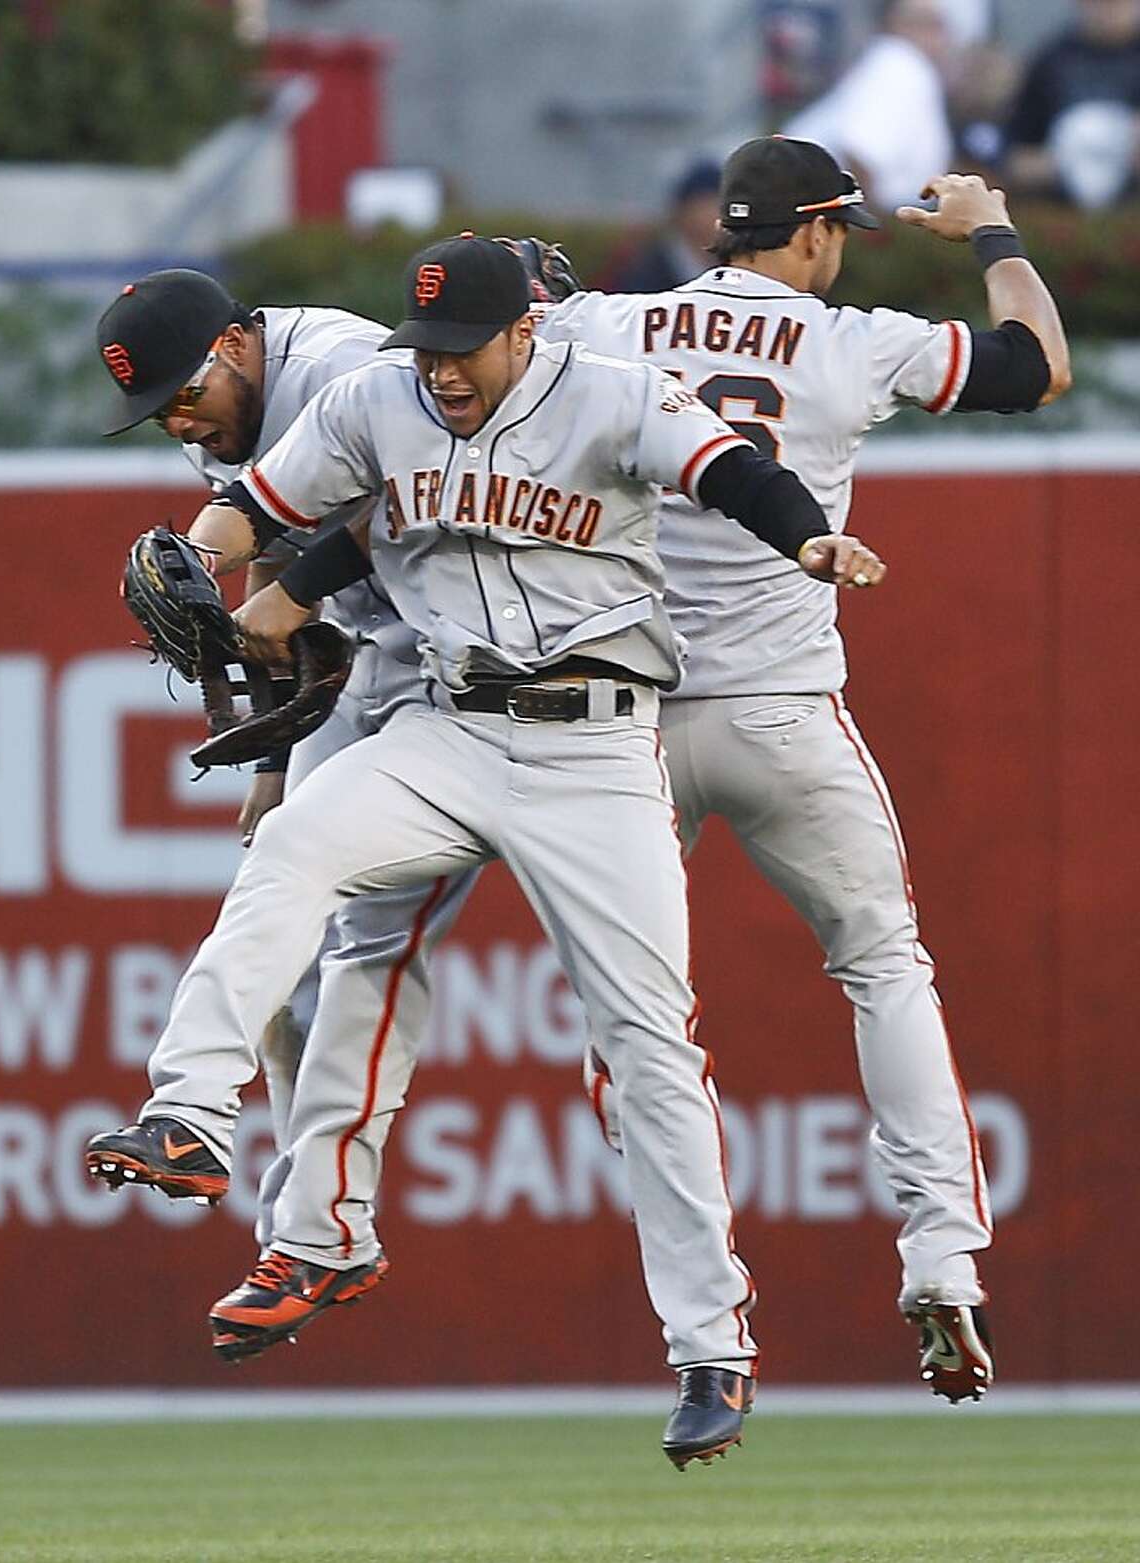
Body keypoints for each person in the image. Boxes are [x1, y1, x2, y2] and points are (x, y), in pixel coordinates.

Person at [97, 233, 883, 1467]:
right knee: (296, 846)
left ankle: (711, 1346)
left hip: (599, 750)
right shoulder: (380, 395)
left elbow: (731, 468)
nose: (443, 371)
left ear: (524, 329)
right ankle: (189, 1113)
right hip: (450, 724)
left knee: (647, 1042)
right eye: (429, 347)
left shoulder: (610, 394)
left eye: (463, 346)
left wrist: (807, 541)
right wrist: (204, 553)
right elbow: (260, 504)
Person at [536, 136, 1070, 1404]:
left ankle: (704, 1320)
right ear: (821, 232)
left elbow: (476, 334)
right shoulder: (854, 342)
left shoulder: (612, 325)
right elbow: (1037, 368)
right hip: (784, 717)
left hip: (632, 729)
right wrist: (992, 229)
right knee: (883, 960)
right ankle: (943, 1252)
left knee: (638, 1023)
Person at [87, 268, 480, 1193]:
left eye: (183, 394)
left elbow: (424, 496)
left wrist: (290, 593)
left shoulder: (347, 366)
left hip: (486, 657)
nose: (178, 423)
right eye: (157, 414)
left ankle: (321, 1213)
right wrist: (275, 757)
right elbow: (269, 544)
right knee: (287, 948)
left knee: (375, 949)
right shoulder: (218, 424)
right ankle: (287, 1201)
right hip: (376, 659)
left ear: (231, 345)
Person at [782, 0, 955, 210]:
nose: (943, 39)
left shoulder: (893, 61)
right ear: (896, 23)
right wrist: (865, 228)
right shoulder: (903, 66)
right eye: (931, 25)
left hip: (806, 194)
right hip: (813, 201)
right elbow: (859, 152)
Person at [1003, 0, 1140, 208]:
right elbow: (1014, 155)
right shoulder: (1050, 62)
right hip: (1062, 220)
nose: (1108, 9)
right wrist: (1061, 162)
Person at [612, 157, 722, 293]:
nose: (715, 215)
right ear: (682, 211)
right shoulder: (650, 270)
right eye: (705, 206)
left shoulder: (734, 267)